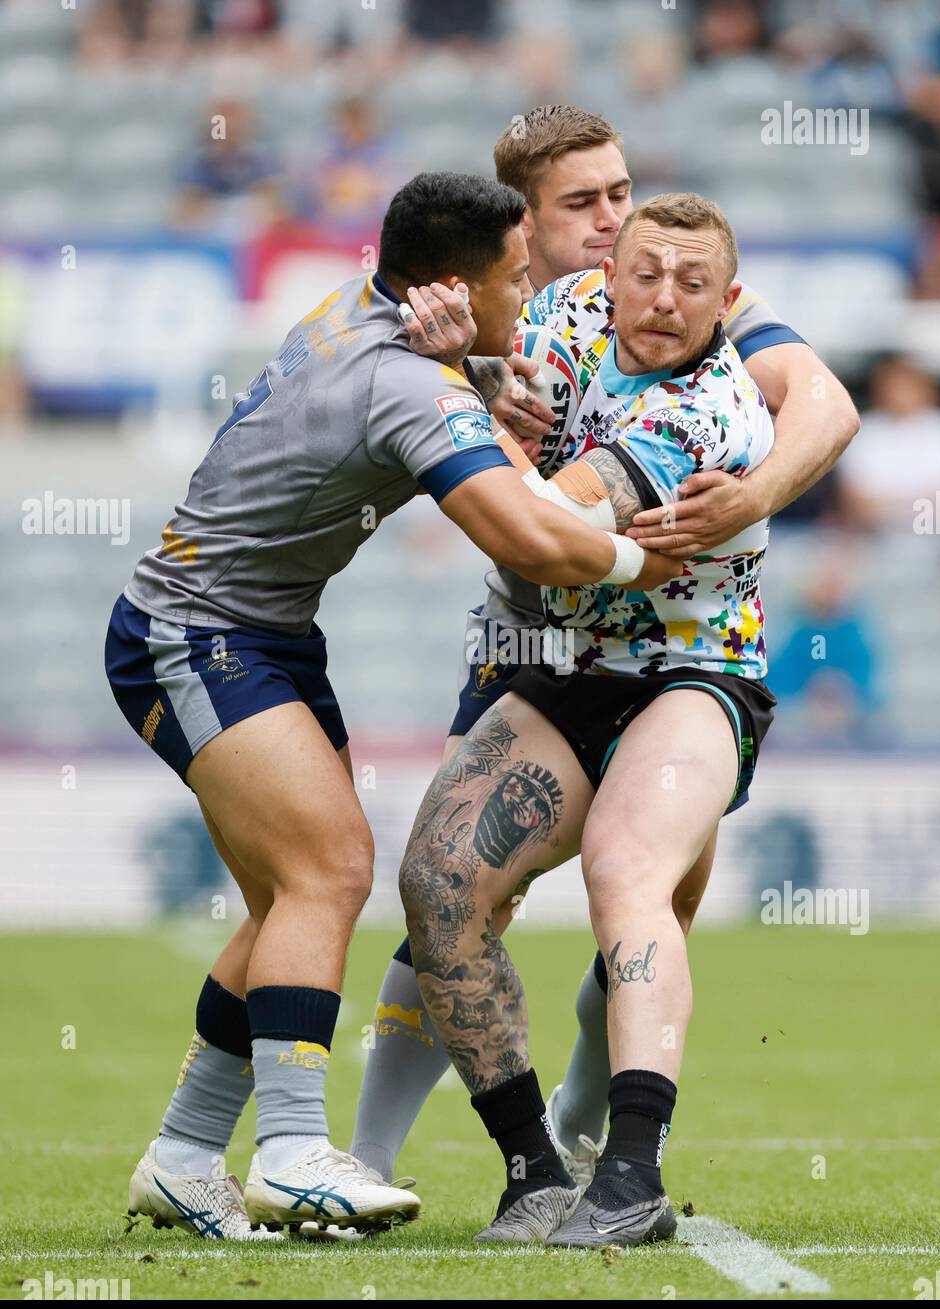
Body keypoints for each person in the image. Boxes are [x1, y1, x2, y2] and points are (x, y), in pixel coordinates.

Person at [104, 171, 679, 1241]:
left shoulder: (355, 309)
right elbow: (527, 539)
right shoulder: (413, 384)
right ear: (455, 283)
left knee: (292, 900)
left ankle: (186, 1154)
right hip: (198, 633)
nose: (528, 290)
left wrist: (471, 366)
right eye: (516, 274)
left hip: (249, 628)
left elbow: (428, 396)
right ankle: (289, 1154)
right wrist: (648, 558)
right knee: (329, 870)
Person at [350, 103, 859, 1190]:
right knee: (452, 886)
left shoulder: (690, 326)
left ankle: (601, 1130)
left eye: (619, 192)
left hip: (684, 650)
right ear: (523, 228)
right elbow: (476, 437)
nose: (611, 217)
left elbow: (824, 402)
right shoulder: (546, 306)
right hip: (534, 639)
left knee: (645, 886)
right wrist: (477, 394)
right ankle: (406, 1158)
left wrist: (748, 499)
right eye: (587, 204)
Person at [399, 193, 776, 1246]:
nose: (662, 299)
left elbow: (544, 524)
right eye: (645, 274)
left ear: (728, 302)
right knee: (436, 882)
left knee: (625, 866)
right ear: (607, 277)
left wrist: (444, 401)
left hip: (693, 670)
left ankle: (630, 1172)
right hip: (561, 668)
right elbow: (505, 395)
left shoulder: (709, 408)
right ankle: (529, 1170)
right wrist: (460, 365)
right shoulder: (564, 310)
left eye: (692, 285)